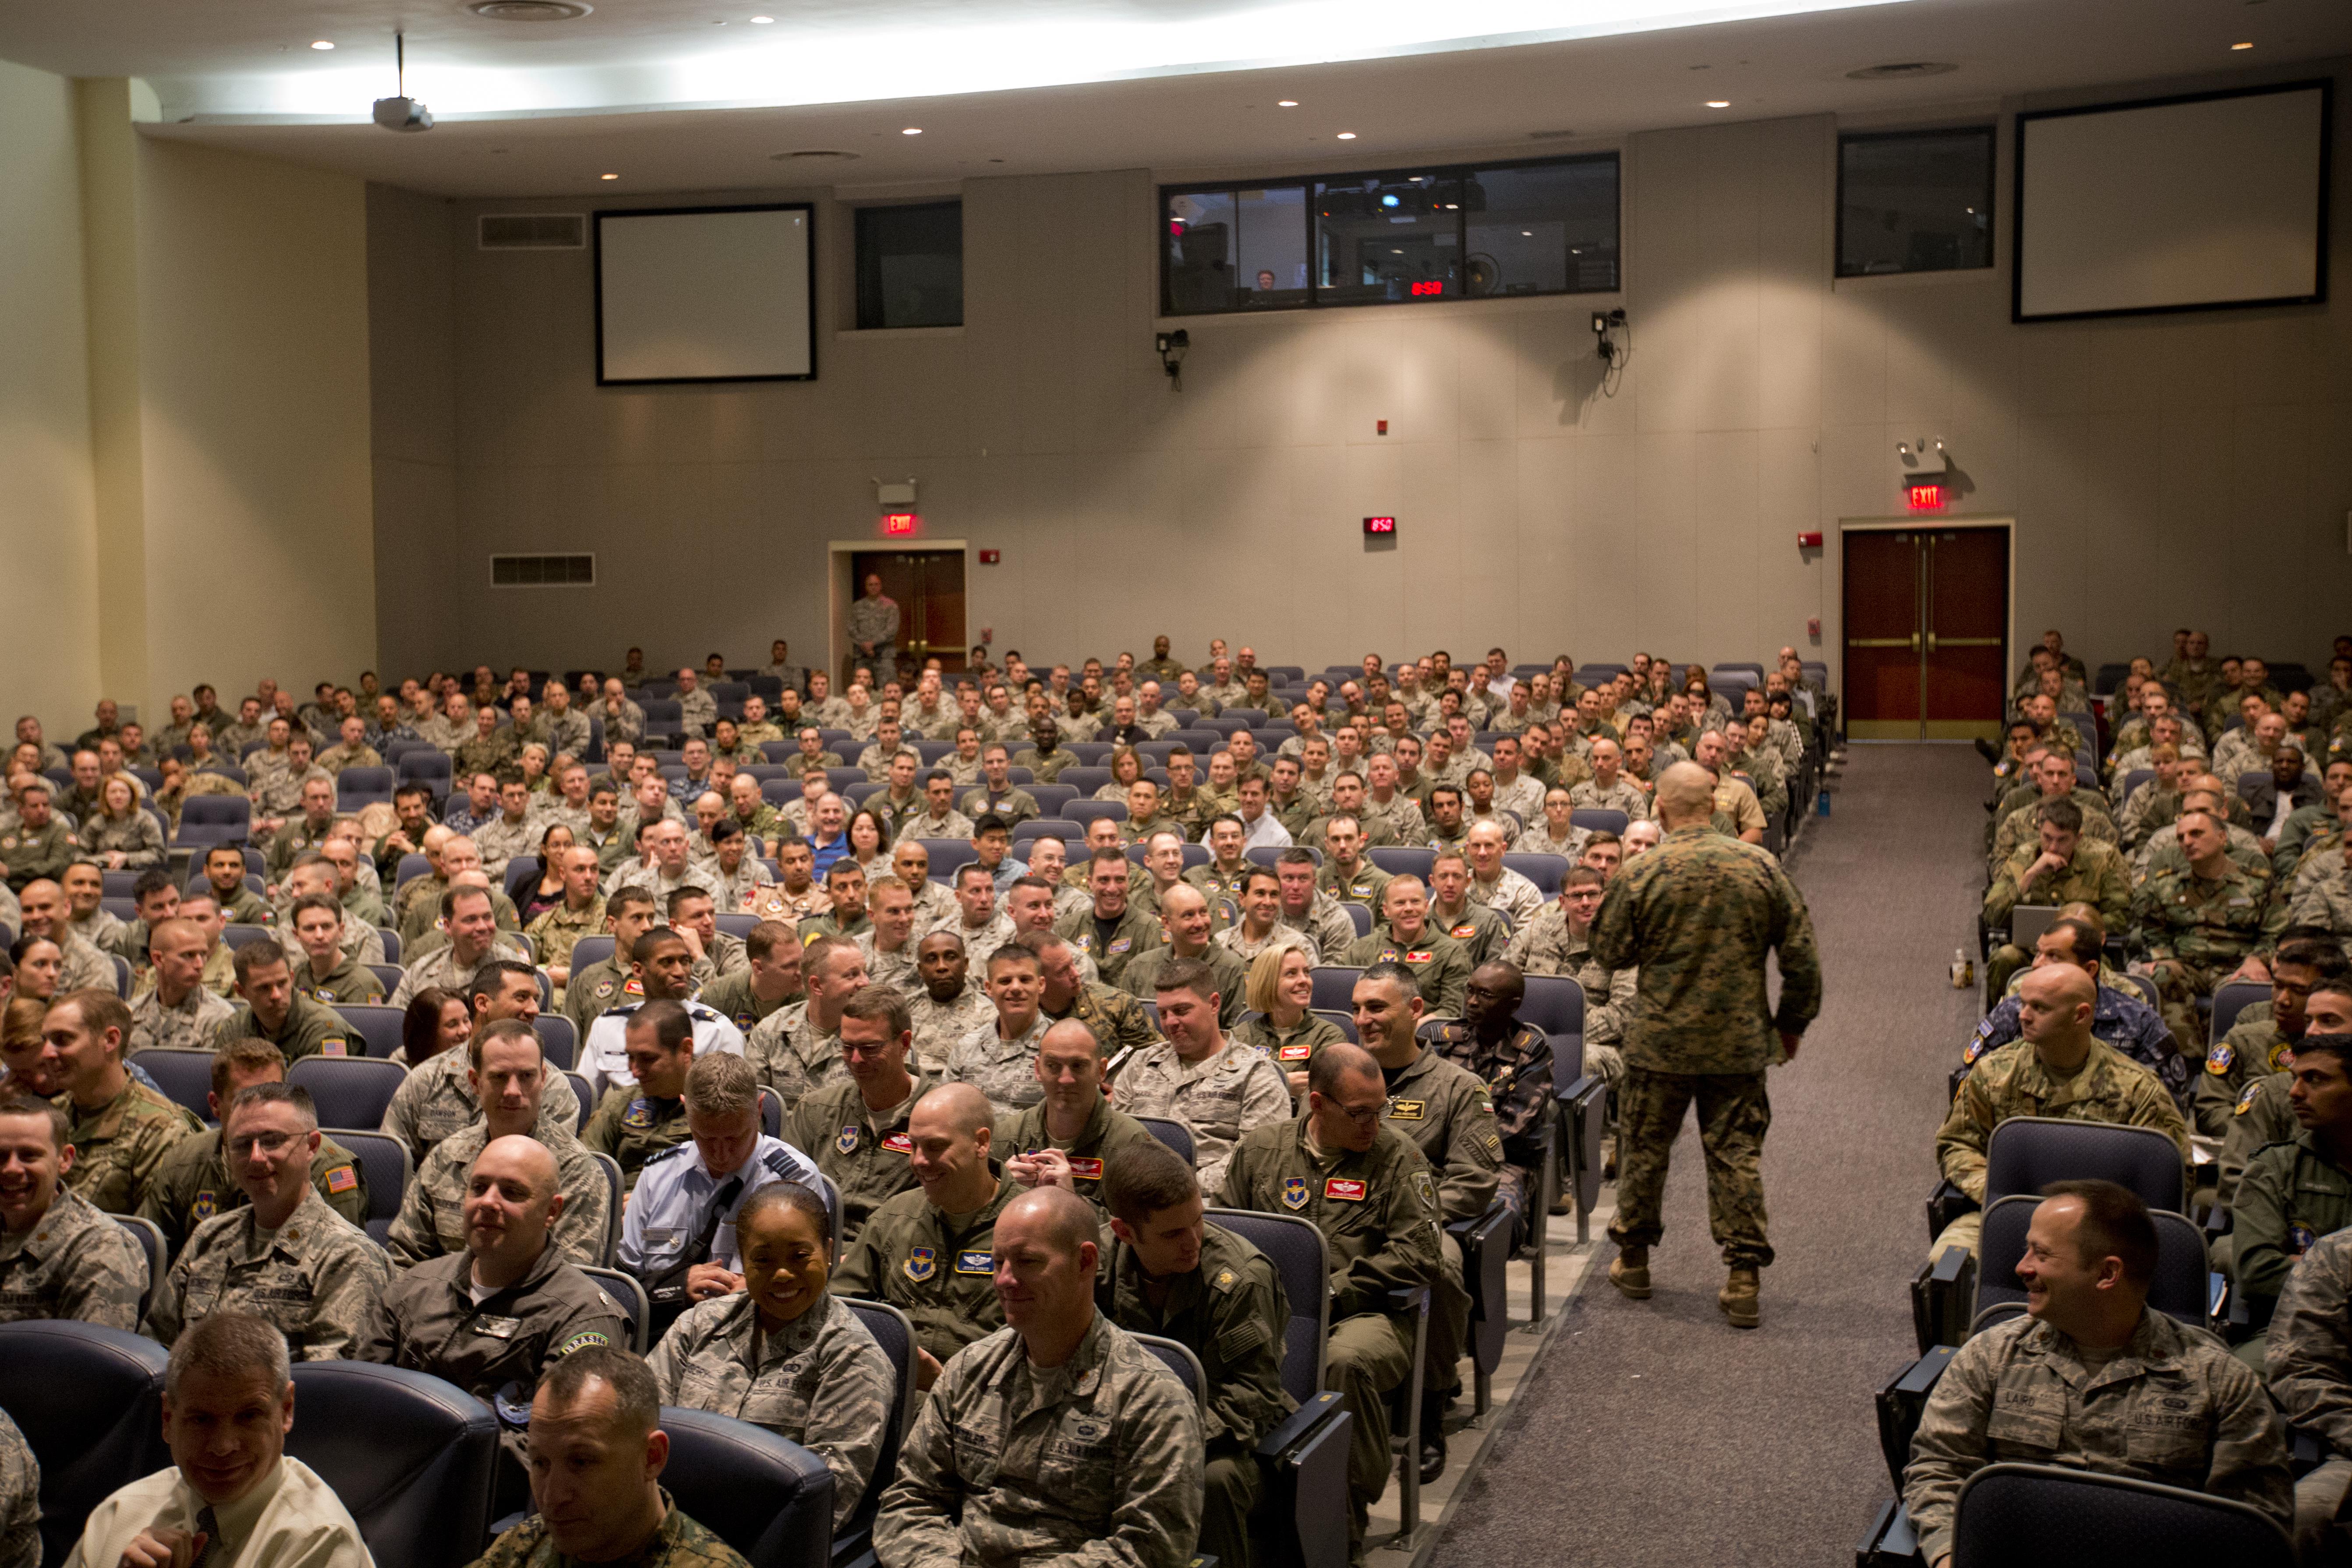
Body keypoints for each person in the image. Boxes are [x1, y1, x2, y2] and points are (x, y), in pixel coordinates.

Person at [1903, 1181, 2291, 1567]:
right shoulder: (1990, 1357)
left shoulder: (2219, 1382)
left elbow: (2251, 1526)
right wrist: (1948, 1556)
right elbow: (1938, 1468)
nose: (2021, 1267)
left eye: (2041, 1254)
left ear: (2107, 1274)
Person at [1591, 761, 1821, 1328]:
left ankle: (1635, 1261)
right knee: (1735, 1156)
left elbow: (1610, 952)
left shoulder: (1643, 871)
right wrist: (1790, 1025)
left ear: (1661, 810)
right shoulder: (1760, 867)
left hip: (1658, 1045)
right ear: (1715, 805)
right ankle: (1743, 1279)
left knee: (1645, 1152)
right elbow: (1802, 962)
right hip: (1737, 1045)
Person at [872, 1186, 1205, 1568]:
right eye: (997, 1263)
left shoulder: (1150, 1397)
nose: (1004, 1280)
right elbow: (911, 1499)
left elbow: (1152, 1548)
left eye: (1027, 1262)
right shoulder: (969, 1371)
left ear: (1085, 1262)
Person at [1220, 1044, 1443, 1554]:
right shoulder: (1262, 1150)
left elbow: (1421, 1252)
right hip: (1269, 1309)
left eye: (1380, 1109)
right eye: (1359, 1112)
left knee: (1341, 1362)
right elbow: (1225, 1233)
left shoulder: (1397, 1155)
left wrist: (1338, 1291)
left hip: (1368, 1312)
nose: (1373, 1124)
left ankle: (1341, 1516)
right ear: (1316, 1104)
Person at [646, 1182, 897, 1532]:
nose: (781, 1274)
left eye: (799, 1256)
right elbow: (638, 1431)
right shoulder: (699, 1324)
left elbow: (824, 1504)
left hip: (759, 1542)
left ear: (827, 1252)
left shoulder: (852, 1357)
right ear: (743, 1261)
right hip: (660, 1521)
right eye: (762, 1260)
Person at [357, 1134, 626, 1455]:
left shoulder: (582, 1318)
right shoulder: (413, 1287)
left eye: (512, 1193)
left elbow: (555, 1454)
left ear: (551, 1211)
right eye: (479, 1188)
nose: (487, 1202)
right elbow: (362, 1396)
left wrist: (427, 1443)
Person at [1098, 1140, 1294, 1568]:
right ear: (1124, 1232)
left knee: (1213, 1480)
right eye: (1172, 1233)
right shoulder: (1096, 1267)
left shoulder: (1240, 1280)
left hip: (1223, 1439)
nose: (1192, 1242)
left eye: (1197, 1221)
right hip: (1118, 1427)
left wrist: (1162, 1440)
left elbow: (1251, 1399)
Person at [63, 1311, 371, 1568]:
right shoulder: (119, 1515)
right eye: (201, 1419)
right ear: (168, 1420)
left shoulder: (320, 1541)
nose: (223, 1447)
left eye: (249, 1416)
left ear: (286, 1410)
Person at [1934, 964, 2191, 1259]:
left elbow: (2170, 1176)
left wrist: (2082, 1215)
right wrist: (1998, 1193)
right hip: (2011, 1212)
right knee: (1948, 1258)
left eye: (2039, 1008)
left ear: (2080, 1015)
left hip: (2102, 1231)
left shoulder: (2137, 1089)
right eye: (2023, 1003)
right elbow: (1957, 1143)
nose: (2023, 1015)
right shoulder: (1993, 1072)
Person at [145, 1083, 391, 1359]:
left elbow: (330, 1387)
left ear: (311, 1147)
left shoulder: (349, 1258)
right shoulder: (209, 1238)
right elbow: (155, 1347)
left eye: (272, 1141)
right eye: (240, 1145)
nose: (256, 1158)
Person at [470, 1346, 753, 1568]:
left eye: (580, 1462)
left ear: (651, 1458)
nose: (551, 1498)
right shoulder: (525, 1545)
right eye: (540, 1463)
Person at [620, 1052, 821, 1337]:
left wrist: (757, 1287)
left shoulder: (793, 1178)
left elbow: (810, 1284)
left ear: (759, 1108)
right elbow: (624, 1284)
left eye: (735, 1137)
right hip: (666, 1332)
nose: (721, 1154)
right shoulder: (657, 1175)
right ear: (685, 1108)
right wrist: (676, 1288)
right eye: (706, 1138)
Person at [389, 1018, 612, 1268]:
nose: (513, 1091)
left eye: (527, 1076)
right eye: (499, 1077)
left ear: (543, 1080)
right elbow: (404, 1258)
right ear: (475, 1083)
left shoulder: (577, 1172)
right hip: (439, 1302)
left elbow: (568, 1283)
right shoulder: (447, 1157)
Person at [833, 1083, 1017, 1381]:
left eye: (934, 1146)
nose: (918, 1161)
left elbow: (1045, 1344)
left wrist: (942, 1382)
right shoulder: (894, 1217)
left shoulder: (1029, 1228)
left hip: (986, 1401)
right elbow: (839, 1309)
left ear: (981, 1143)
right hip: (886, 1387)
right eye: (913, 1146)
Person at [138, 1039, 370, 1256]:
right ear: (215, 1105)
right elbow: (153, 1259)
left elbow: (342, 1255)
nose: (262, 1109)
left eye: (273, 1095)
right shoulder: (182, 1161)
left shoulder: (325, 1165)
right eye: (246, 1099)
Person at [1114, 957, 1291, 1199]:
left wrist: (1176, 1189)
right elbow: (1117, 1140)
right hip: (1136, 1197)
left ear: (1214, 1004)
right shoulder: (1142, 1063)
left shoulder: (1255, 1073)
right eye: (1163, 1013)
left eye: (1181, 1011)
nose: (1170, 1023)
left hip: (1213, 1204)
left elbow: (1255, 1161)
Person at [2228, 1032, 2352, 1372]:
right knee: (2232, 1388)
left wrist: (2309, 1265)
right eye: (2295, 1078)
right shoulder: (2274, 1167)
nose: (2295, 1092)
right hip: (2294, 1331)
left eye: (2315, 1080)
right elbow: (2257, 1272)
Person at [1425, 961, 1555, 1247]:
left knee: (1490, 1229)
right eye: (1469, 991)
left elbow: (1513, 1128)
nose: (1471, 1001)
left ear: (1513, 1005)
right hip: (1435, 1159)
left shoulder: (1532, 1054)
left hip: (1502, 1166)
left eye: (1485, 995)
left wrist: (1450, 1143)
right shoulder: (1440, 1043)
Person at [45, 989, 204, 1214]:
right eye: (46, 1040)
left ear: (110, 1040)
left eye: (62, 1040)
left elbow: (147, 1240)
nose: (46, 1053)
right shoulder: (51, 1115)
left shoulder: (162, 1130)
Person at [0, 1092, 147, 1328]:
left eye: (29, 1156)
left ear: (65, 1160)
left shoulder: (100, 1246)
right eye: (1, 1157)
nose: (11, 1169)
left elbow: (93, 1359)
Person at [1001, 1019, 1157, 1218]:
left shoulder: (1131, 1145)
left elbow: (1143, 1233)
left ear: (1101, 1071)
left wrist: (1072, 1203)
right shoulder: (1005, 1137)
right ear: (1038, 1070)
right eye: (1053, 1066)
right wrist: (1003, 1192)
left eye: (1078, 1066)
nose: (1066, 1079)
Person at [578, 927, 747, 1102]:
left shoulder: (717, 1030)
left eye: (685, 961)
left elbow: (734, 1106)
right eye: (667, 963)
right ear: (638, 970)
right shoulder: (608, 1025)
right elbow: (585, 1098)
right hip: (623, 1123)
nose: (680, 972)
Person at [581, 999, 697, 1190]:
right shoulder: (624, 1102)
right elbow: (585, 1166)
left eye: (648, 1058)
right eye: (631, 1057)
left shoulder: (717, 1105)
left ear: (686, 1050)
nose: (634, 1072)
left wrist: (646, 1201)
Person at [1233, 944, 1345, 1091]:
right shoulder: (1241, 1037)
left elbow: (1325, 1095)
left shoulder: (1328, 1036)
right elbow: (1227, 1091)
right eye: (1291, 974)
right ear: (1268, 982)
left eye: (1306, 972)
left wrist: (1254, 1084)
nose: (1304, 980)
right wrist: (1281, 1083)